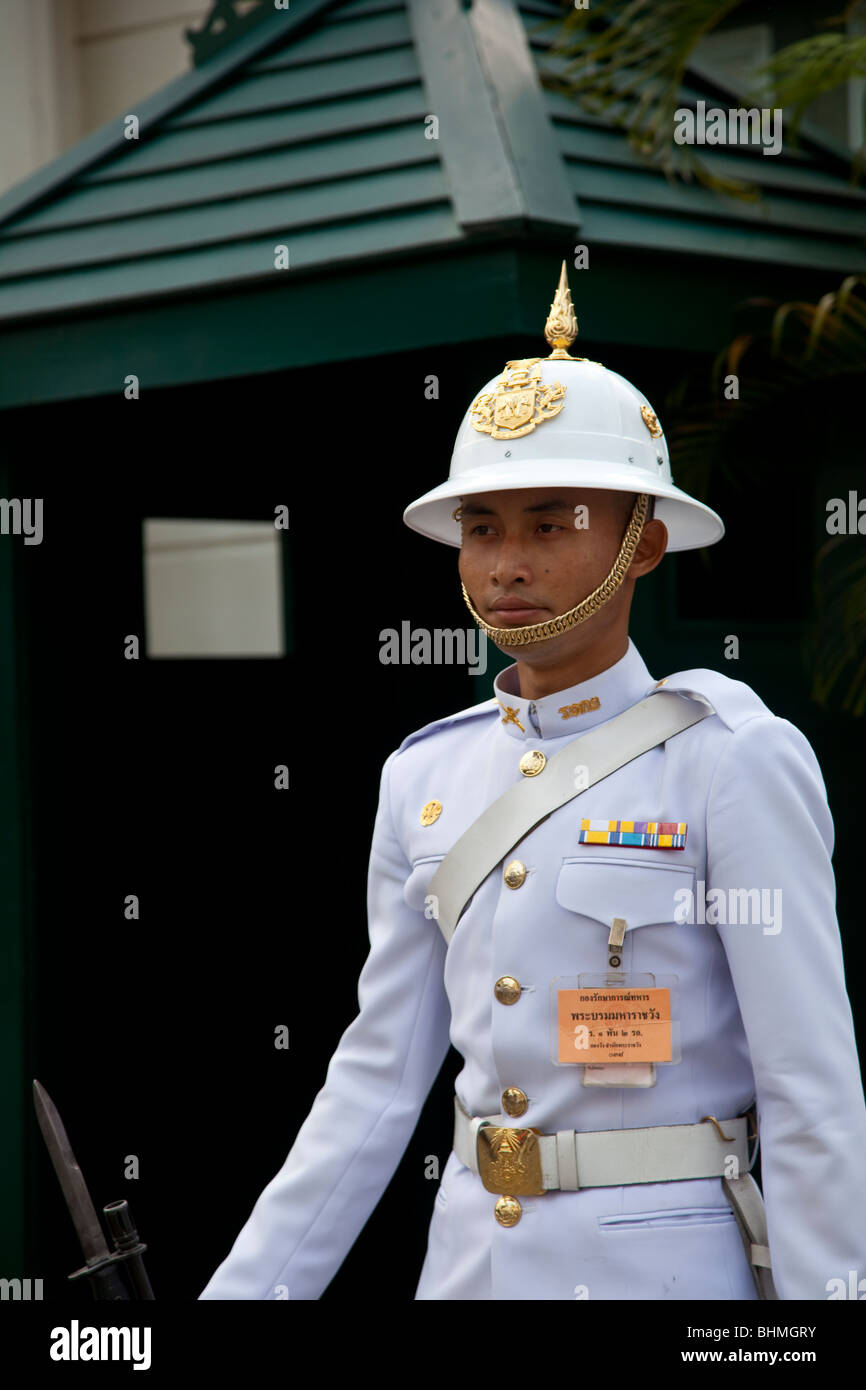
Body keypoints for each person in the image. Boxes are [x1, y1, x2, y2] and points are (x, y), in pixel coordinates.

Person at [199, 264, 866, 1301]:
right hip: (467, 1261)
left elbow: (809, 1091)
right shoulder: (424, 773)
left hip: (667, 1273)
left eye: (548, 524)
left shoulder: (729, 757)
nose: (505, 562)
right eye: (481, 528)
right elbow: (375, 1079)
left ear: (640, 545)